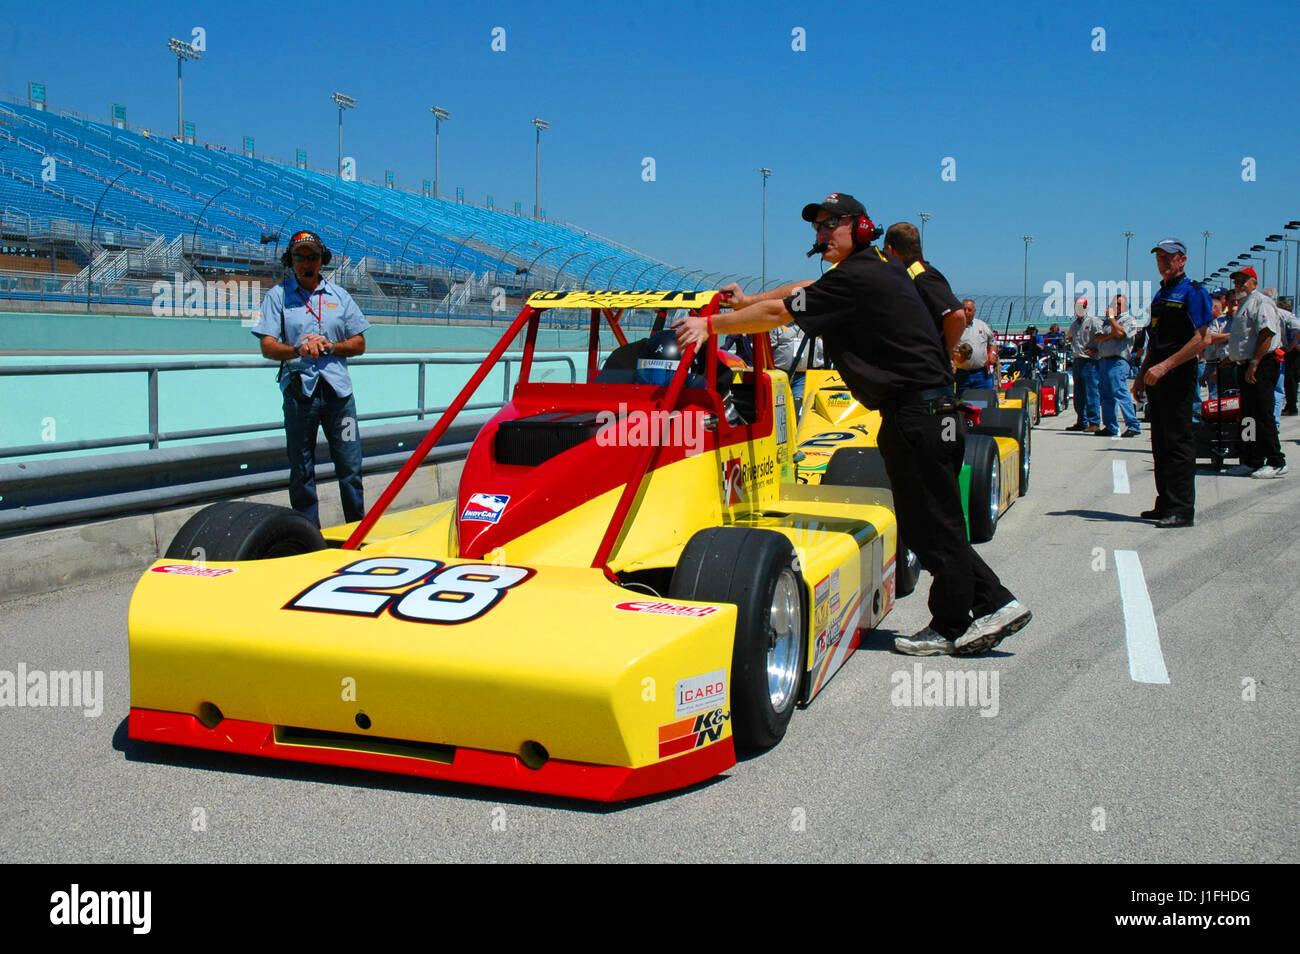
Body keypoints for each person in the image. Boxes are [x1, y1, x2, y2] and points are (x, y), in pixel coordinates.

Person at [673, 192, 1029, 657]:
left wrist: (712, 326)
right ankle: (993, 603)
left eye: (830, 225)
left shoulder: (858, 276)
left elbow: (781, 312)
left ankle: (958, 621)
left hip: (918, 413)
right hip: (924, 412)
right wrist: (750, 298)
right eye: (817, 228)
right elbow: (798, 290)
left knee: (933, 527)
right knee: (928, 525)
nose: (821, 235)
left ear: (860, 227)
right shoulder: (873, 268)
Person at [252, 229, 370, 526]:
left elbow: (359, 344)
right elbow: (267, 347)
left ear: (322, 261)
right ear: (290, 260)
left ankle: (356, 531)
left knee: (350, 467)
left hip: (338, 396)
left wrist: (332, 346)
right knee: (302, 470)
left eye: (313, 257)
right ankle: (309, 537)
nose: (307, 262)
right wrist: (298, 349)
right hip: (299, 393)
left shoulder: (340, 297)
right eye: (300, 256)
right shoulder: (277, 297)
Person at [1134, 239, 1211, 526]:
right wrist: (1142, 375)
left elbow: (1203, 338)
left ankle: (1181, 509)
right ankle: (1165, 502)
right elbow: (1154, 342)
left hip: (1178, 375)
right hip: (1157, 376)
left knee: (1178, 442)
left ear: (1182, 260)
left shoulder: (1193, 292)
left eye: (1169, 257)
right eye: (1160, 257)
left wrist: (1166, 366)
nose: (1163, 262)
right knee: (1160, 442)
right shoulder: (1160, 294)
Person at [1223, 267, 1285, 478]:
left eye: (1243, 281)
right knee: (1248, 417)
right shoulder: (1243, 305)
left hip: (1261, 365)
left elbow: (1266, 333)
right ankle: (1251, 459)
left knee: (1262, 413)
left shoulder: (1261, 302)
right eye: (1236, 282)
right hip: (1244, 365)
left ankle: (1276, 460)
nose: (1238, 285)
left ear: (1254, 283)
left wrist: (1255, 362)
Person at [881, 222, 966, 356]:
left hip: (922, 367)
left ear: (890, 250)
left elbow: (957, 316)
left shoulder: (921, 276)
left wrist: (945, 354)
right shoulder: (908, 274)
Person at [1095, 294, 1141, 437]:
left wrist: (1112, 319)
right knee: (1106, 395)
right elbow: (1098, 337)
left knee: (1120, 391)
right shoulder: (1106, 322)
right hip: (1104, 360)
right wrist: (1111, 334)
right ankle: (1110, 426)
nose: (1116, 307)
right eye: (1114, 304)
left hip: (1119, 361)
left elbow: (1121, 334)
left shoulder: (1129, 320)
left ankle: (1133, 425)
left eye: (1119, 304)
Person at [1065, 298, 1102, 431]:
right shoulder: (1074, 324)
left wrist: (1096, 349)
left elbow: (1102, 337)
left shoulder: (1093, 321)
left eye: (1082, 306)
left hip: (1090, 361)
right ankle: (1082, 421)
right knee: (1079, 394)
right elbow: (1069, 336)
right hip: (1078, 361)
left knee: (1091, 392)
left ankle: (1094, 422)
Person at [1278, 296, 1299, 416]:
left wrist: (1290, 347)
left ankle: (1291, 406)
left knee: (1290, 382)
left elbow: (1295, 339)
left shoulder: (1289, 324)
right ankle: (1291, 405)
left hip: (1292, 355)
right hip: (1291, 354)